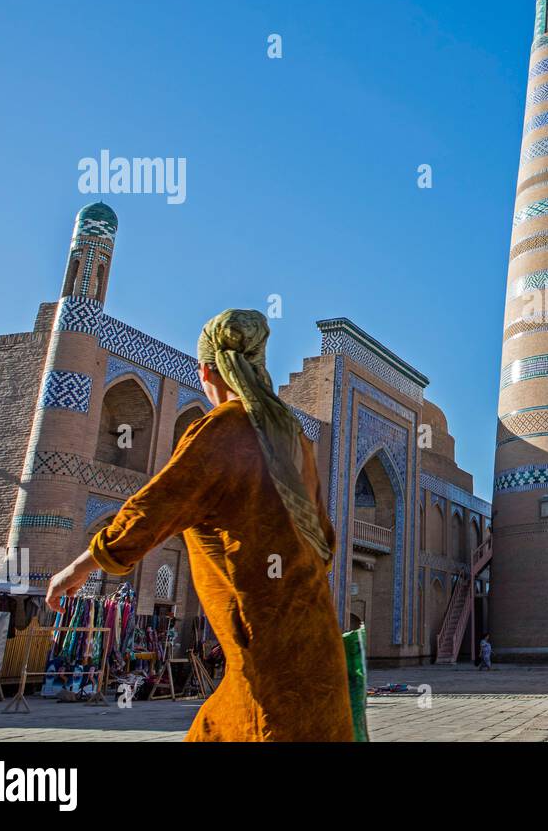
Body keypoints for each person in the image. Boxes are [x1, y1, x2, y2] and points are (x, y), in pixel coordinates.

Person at [45, 309, 352, 741]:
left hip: (266, 664)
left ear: (207, 370)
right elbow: (326, 543)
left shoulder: (223, 429)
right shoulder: (293, 437)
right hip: (316, 651)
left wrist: (75, 570)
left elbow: (150, 509)